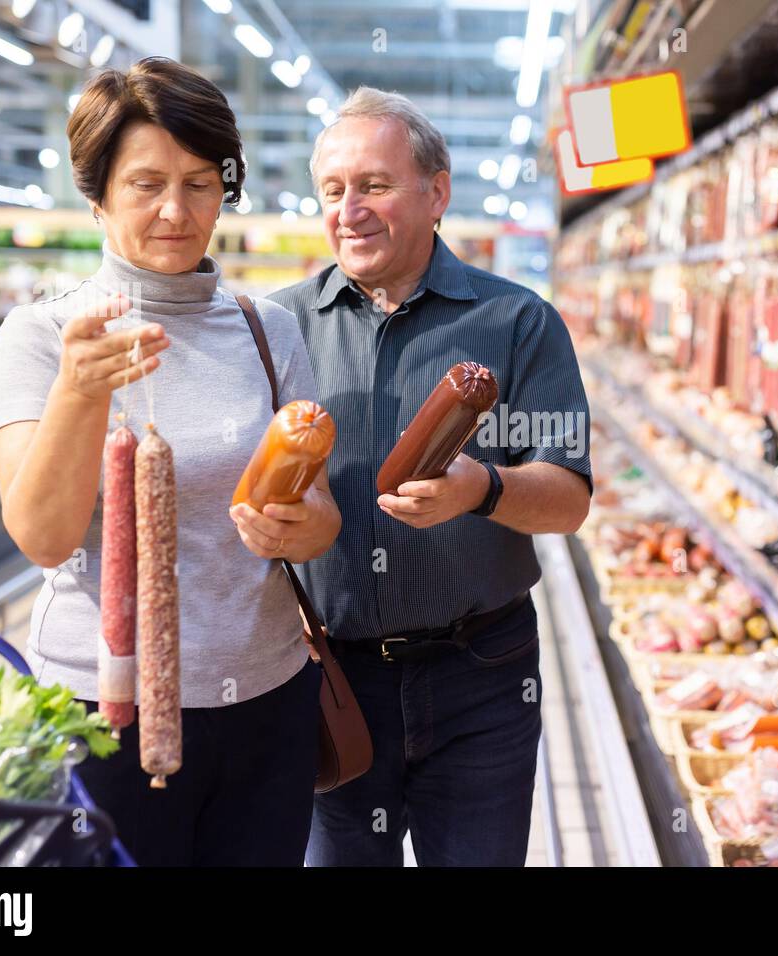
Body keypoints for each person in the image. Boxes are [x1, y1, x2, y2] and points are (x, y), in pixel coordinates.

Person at [0, 57, 341, 866]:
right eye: (146, 184)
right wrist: (80, 390)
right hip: (98, 709)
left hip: (266, 700)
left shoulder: (267, 329)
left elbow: (322, 518)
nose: (176, 210)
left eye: (200, 182)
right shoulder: (43, 338)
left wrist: (300, 525)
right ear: (98, 193)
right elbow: (42, 536)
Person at [272, 87, 592, 867]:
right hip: (330, 681)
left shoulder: (519, 323)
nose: (350, 209)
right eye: (334, 190)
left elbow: (569, 499)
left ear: (436, 190)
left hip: (481, 676)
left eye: (374, 185)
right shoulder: (279, 328)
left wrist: (481, 489)